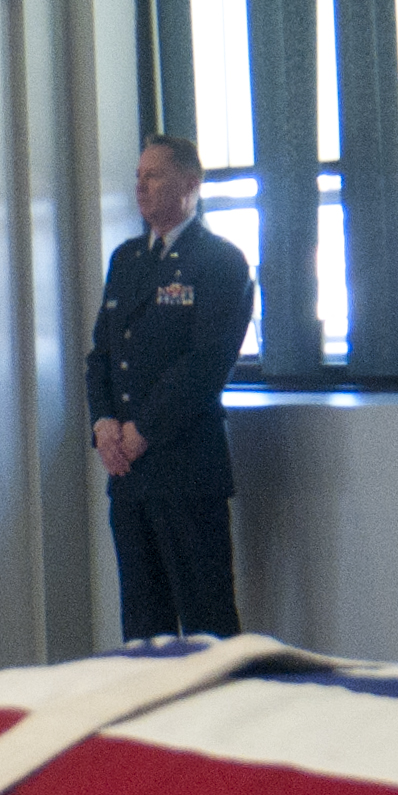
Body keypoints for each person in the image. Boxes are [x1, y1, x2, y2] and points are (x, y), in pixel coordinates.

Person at [87, 132, 254, 640]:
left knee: (207, 622)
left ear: (190, 184)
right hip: (130, 475)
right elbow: (102, 356)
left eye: (153, 175)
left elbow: (206, 364)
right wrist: (104, 424)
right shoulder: (127, 260)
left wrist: (144, 430)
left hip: (186, 471)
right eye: (138, 177)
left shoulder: (220, 262)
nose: (141, 187)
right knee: (142, 623)